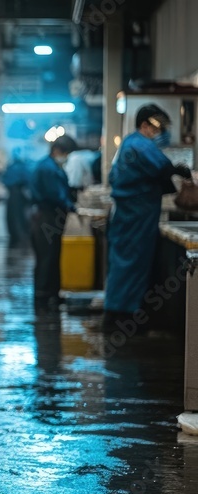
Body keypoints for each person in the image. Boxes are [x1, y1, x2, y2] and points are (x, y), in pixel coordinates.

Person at [103, 104, 192, 332]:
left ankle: (117, 315)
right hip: (135, 216)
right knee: (131, 264)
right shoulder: (139, 144)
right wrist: (180, 171)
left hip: (130, 215)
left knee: (125, 264)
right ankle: (122, 319)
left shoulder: (129, 144)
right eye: (156, 128)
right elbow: (162, 167)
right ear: (145, 125)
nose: (159, 133)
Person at [28, 135, 78, 312]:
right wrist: (72, 206)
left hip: (48, 216)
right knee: (47, 257)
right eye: (66, 153)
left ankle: (50, 294)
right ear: (57, 150)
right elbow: (56, 194)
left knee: (50, 255)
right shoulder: (48, 168)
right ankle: (43, 296)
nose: (66, 157)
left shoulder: (48, 165)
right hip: (47, 217)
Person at [2, 149, 31, 247]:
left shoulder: (10, 167)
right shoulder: (23, 167)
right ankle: (21, 237)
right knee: (20, 216)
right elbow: (28, 180)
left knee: (12, 216)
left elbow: (5, 180)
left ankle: (15, 236)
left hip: (12, 195)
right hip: (20, 194)